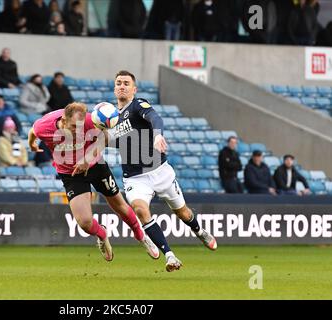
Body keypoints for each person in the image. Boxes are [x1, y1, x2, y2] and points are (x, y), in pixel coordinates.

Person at [109, 70, 217, 272]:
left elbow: (155, 118)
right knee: (141, 210)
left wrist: (157, 136)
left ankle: (199, 231)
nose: (122, 86)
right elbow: (116, 142)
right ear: (114, 88)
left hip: (159, 170)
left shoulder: (137, 105)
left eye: (126, 83)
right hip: (135, 178)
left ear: (134, 89)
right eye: (118, 83)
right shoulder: (112, 118)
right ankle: (170, 255)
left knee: (182, 212)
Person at [28, 102, 159, 262]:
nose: (78, 131)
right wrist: (31, 144)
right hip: (70, 174)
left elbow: (105, 137)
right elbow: (33, 131)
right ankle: (102, 235)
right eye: (74, 127)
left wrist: (87, 159)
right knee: (84, 222)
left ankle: (140, 235)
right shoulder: (45, 126)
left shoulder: (91, 120)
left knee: (121, 206)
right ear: (63, 120)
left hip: (95, 165)